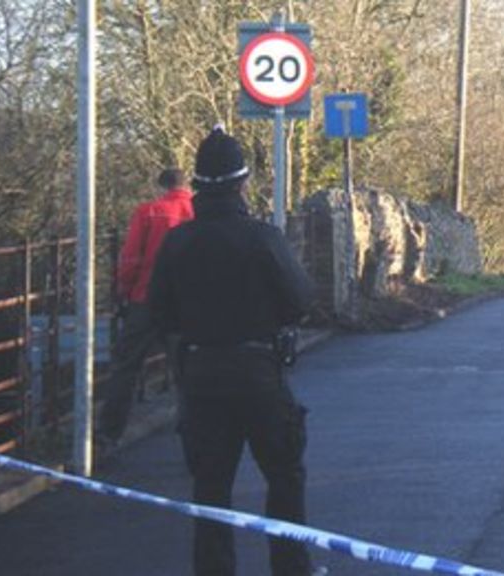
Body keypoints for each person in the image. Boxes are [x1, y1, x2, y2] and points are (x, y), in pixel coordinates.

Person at [149, 125, 321, 576]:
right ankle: (291, 569)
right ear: (243, 183)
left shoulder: (177, 243)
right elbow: (302, 299)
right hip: (258, 371)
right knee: (284, 476)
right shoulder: (262, 238)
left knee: (210, 488)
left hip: (201, 372)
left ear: (198, 186)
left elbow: (159, 314)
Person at [99, 168, 194, 446]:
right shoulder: (197, 212)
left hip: (146, 297)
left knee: (126, 364)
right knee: (186, 367)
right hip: (184, 302)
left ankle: (109, 431)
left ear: (161, 186)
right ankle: (191, 429)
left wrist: (123, 291)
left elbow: (131, 257)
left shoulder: (149, 212)